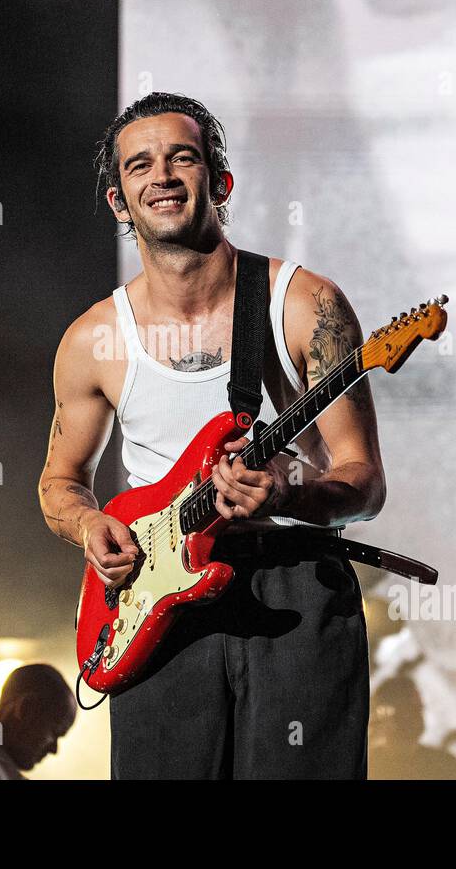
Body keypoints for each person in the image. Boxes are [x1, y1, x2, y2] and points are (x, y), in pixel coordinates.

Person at [38, 92, 386, 779]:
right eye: (140, 165)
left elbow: (364, 482)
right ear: (118, 202)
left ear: (220, 183)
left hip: (294, 585)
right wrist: (89, 527)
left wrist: (288, 493)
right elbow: (60, 482)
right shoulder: (92, 340)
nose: (162, 176)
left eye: (182, 158)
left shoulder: (304, 304)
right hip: (155, 602)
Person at [367, 674, 456, 780]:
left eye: (419, 708)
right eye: (409, 708)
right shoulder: (445, 765)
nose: (418, 715)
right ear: (386, 715)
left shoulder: (447, 766)